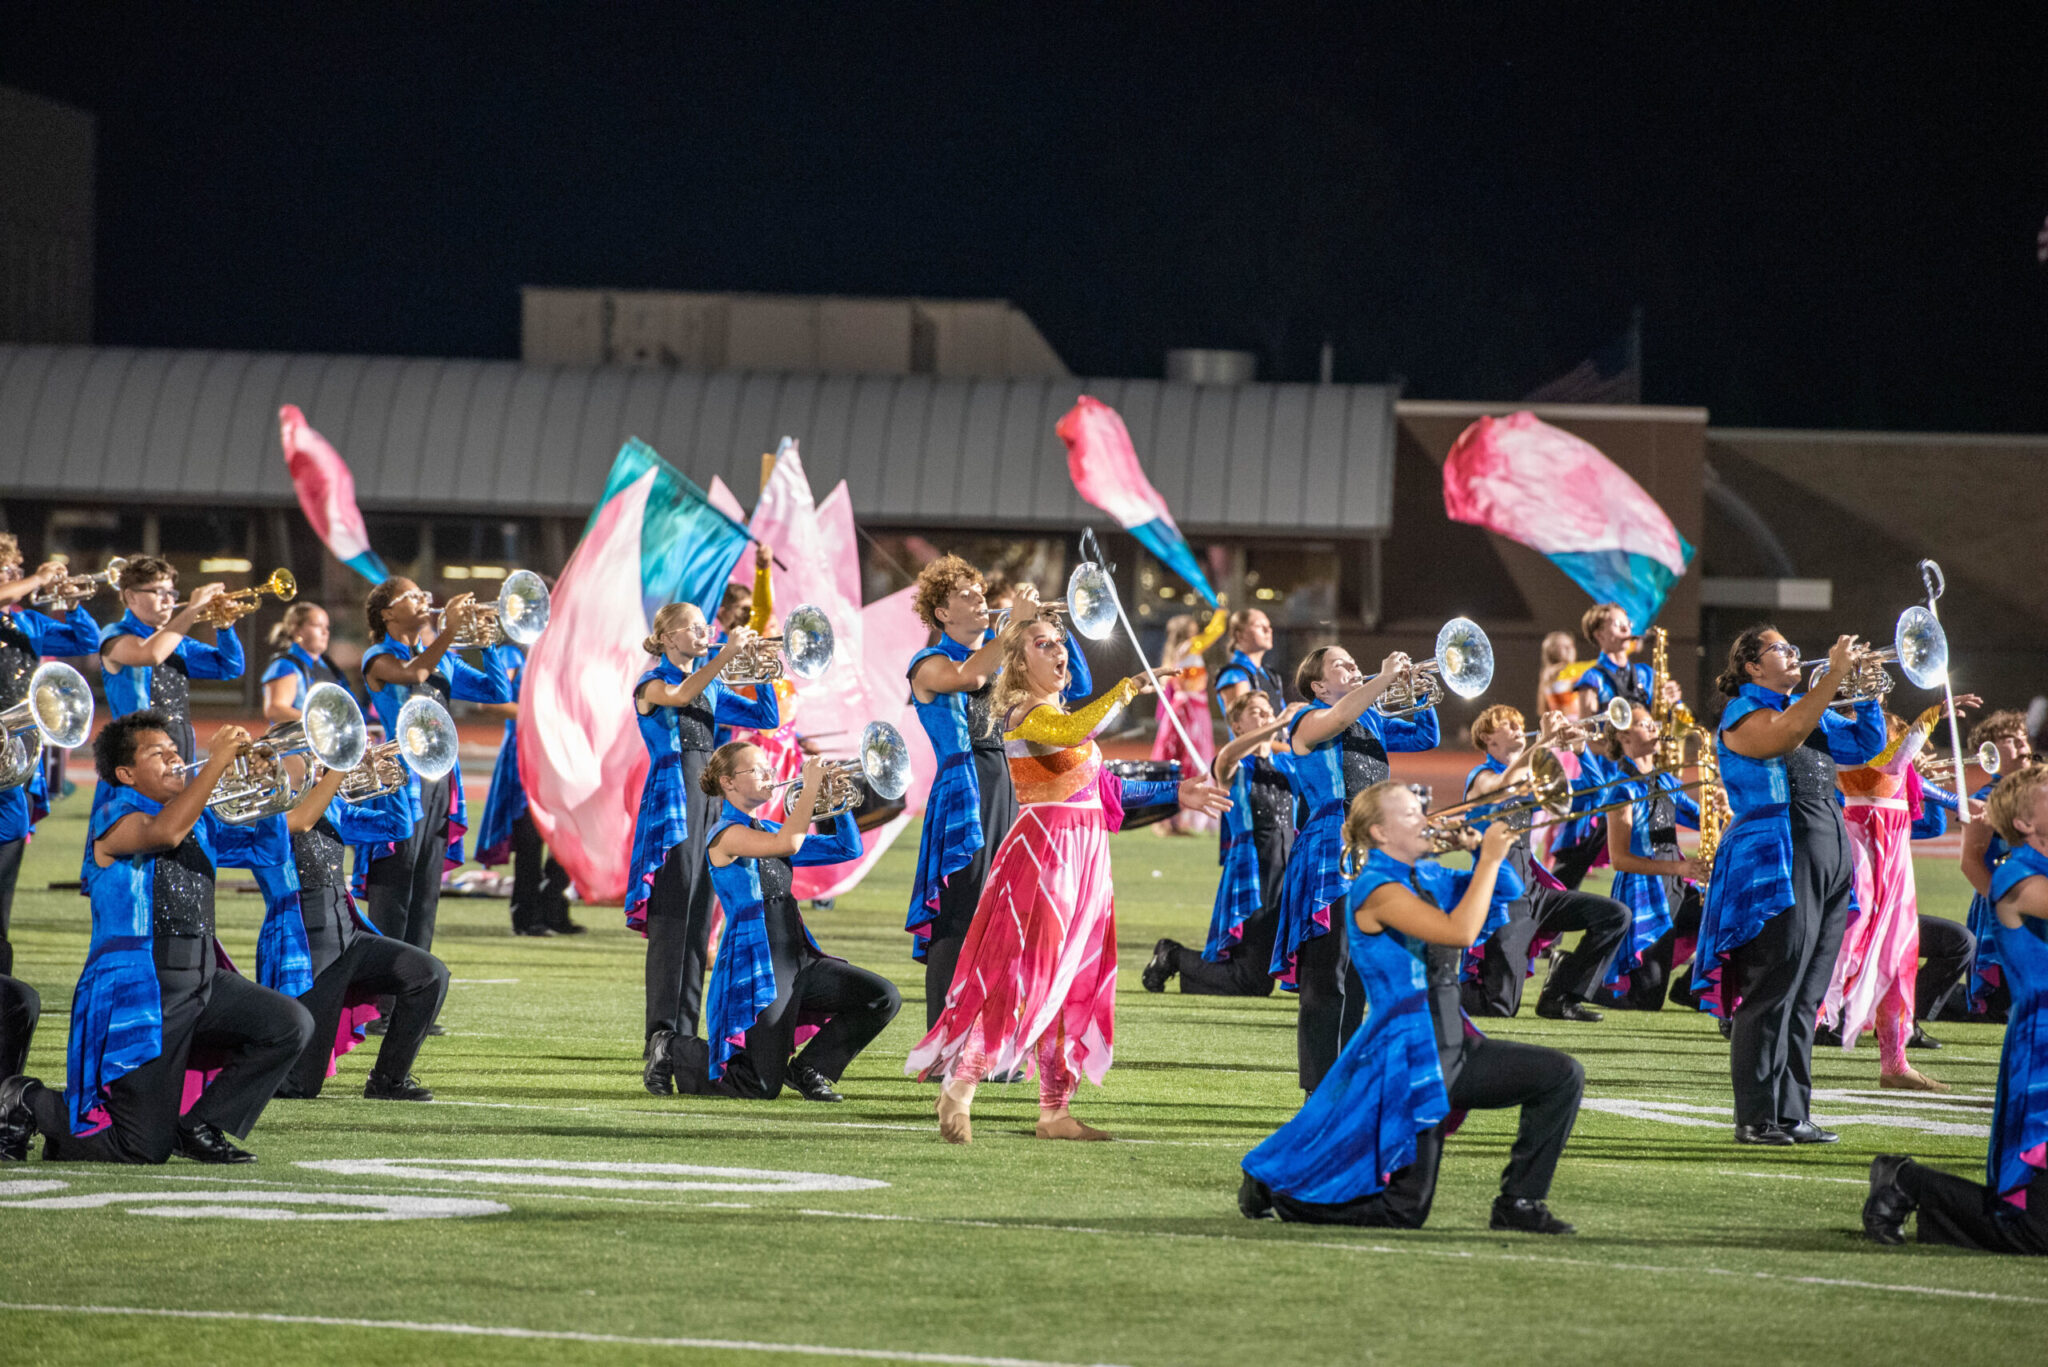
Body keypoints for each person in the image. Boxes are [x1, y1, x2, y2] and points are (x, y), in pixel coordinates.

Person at [907, 620, 1229, 1144]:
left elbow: (1104, 786)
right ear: (1018, 661)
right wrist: (1125, 689)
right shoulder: (1021, 714)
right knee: (1026, 977)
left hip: (1086, 855)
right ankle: (960, 1087)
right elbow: (1068, 735)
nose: (1058, 652)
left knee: (1076, 979)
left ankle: (1054, 1110)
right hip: (1045, 853)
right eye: (1043, 644)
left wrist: (1178, 793)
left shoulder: (1061, 714)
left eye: (1060, 642)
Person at [1239, 782, 1581, 1233]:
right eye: (1409, 816)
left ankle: (1519, 1202)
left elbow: (1509, 893)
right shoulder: (1376, 890)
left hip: (1453, 1044)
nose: (1425, 819)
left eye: (1421, 809)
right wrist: (1491, 858)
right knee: (1404, 1212)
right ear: (1380, 833)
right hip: (1409, 1055)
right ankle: (1278, 1194)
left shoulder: (1428, 876)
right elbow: (1459, 932)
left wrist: (1481, 853)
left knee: (1561, 1074)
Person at [0, 712, 313, 1164]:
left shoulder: (196, 817)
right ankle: (25, 1099)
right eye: (157, 753)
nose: (173, 758)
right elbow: (164, 831)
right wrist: (214, 766)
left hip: (202, 975)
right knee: (140, 1147)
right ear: (127, 774)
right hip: (143, 986)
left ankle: (199, 1124)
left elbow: (268, 850)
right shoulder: (114, 814)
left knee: (289, 1024)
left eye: (174, 750)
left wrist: (266, 789)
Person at [1691, 626, 1884, 1146]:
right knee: (1773, 987)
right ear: (1752, 666)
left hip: (1828, 845)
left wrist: (1867, 695)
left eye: (1795, 649)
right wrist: (1834, 679)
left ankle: (1791, 1113)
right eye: (1781, 649)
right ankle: (1755, 1117)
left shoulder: (1805, 704)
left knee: (1807, 995)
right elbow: (1785, 735)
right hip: (1779, 851)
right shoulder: (1744, 714)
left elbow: (1868, 746)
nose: (1795, 655)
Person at [1863, 764, 2048, 1252]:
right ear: (2025, 823)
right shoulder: (2016, 874)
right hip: (2043, 1049)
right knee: (2032, 1230)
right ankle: (1907, 1180)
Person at [653, 743, 900, 1101]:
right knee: (758, 1085)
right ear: (728, 783)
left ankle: (809, 1068)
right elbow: (788, 842)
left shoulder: (767, 828)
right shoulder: (725, 835)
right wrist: (811, 788)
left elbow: (847, 849)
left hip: (796, 952)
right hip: (758, 960)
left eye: (768, 767)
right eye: (756, 770)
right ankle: (673, 1047)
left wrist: (833, 804)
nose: (770, 774)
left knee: (881, 996)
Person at [628, 602, 779, 1091]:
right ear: (668, 637)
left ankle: (683, 1045)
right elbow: (682, 692)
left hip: (710, 804)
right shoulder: (651, 682)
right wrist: (726, 656)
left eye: (703, 626)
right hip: (673, 803)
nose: (703, 632)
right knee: (672, 927)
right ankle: (659, 1038)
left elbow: (767, 717)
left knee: (698, 927)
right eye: (692, 627)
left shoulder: (711, 682)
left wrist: (758, 670)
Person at [1275, 644, 1433, 1093]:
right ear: (1319, 685)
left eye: (1352, 660)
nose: (1354, 666)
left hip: (1373, 851)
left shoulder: (1373, 718)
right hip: (1330, 846)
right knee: (1328, 974)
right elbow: (1338, 719)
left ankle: (1346, 1083)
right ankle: (1318, 1088)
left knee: (1362, 973)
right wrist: (1382, 679)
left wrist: (1416, 690)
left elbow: (1425, 738)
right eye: (1341, 664)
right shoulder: (1304, 718)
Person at [254, 768, 448, 1101]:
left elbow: (397, 827)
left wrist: (392, 786)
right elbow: (299, 822)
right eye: (309, 753)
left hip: (346, 931)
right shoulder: (264, 807)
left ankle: (388, 1080)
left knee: (429, 974)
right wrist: (338, 773)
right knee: (301, 1085)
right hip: (305, 942)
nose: (319, 761)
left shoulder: (333, 805)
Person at [1820, 700, 1978, 1091]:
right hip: (1864, 863)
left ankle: (1894, 1063)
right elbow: (1892, 759)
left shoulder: (1900, 770)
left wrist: (1970, 805)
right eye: (1896, 731)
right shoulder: (1857, 755)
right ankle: (1805, 1027)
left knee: (1899, 959)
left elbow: (1928, 798)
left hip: (1893, 868)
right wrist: (1932, 715)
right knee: (1847, 949)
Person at [355, 578, 509, 973]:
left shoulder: (440, 654)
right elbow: (414, 674)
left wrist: (487, 643)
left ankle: (412, 994)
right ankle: (382, 1000)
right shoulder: (377, 657)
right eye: (410, 595)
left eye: (423, 593)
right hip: (400, 781)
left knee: (425, 893)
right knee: (395, 892)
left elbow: (497, 692)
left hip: (442, 780)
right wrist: (452, 631)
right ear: (387, 613)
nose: (423, 598)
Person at [905, 555, 1028, 1028]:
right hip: (964, 788)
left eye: (981, 592)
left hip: (1008, 783)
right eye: (967, 595)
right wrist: (1013, 630)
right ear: (942, 613)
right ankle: (945, 1038)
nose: (981, 600)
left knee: (1002, 913)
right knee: (958, 915)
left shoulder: (1000, 659)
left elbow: (1062, 687)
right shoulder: (929, 662)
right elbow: (968, 677)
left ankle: (991, 1040)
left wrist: (1044, 637)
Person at [1458, 704, 1630, 1022]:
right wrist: (1545, 742)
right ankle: (1433, 991)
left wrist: (1580, 751)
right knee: (1499, 1007)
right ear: (1486, 737)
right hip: (1501, 896)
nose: (1517, 728)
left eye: (1518, 723)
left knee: (1614, 916)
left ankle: (1559, 994)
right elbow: (1499, 789)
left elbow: (1595, 794)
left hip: (1535, 890)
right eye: (1507, 724)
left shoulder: (1533, 778)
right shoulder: (1480, 776)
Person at [1144, 689, 1300, 996]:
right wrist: (1278, 723)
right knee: (1253, 982)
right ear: (1237, 725)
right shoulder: (1234, 765)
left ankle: (1191, 970)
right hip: (1252, 870)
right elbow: (1228, 756)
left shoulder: (1287, 764)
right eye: (1255, 712)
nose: (1266, 715)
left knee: (1261, 978)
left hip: (1287, 871)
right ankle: (1172, 955)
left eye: (1268, 711)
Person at [0, 540, 101, 941]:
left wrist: (73, 605)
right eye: (8, 572)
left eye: (15, 570)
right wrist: (37, 579)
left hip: (16, 758)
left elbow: (85, 642)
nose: (16, 579)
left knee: (5, 874)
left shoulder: (27, 623)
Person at [1585, 708, 1707, 1011]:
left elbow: (1701, 820)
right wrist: (1680, 866)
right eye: (1644, 724)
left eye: (1653, 723)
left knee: (1729, 916)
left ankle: (1692, 988)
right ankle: (1582, 975)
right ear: (1624, 736)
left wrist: (1719, 807)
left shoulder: (1666, 781)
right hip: (1642, 891)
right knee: (1645, 1000)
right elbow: (1621, 860)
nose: (1655, 728)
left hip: (1676, 886)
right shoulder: (1621, 790)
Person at [473, 639, 580, 937]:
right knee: (530, 839)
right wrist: (541, 717)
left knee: (566, 835)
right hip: (526, 755)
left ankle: (554, 907)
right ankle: (526, 915)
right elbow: (491, 701)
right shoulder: (512, 653)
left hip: (561, 754)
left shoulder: (564, 653)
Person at [98, 555, 245, 764]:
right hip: (136, 759)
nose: (169, 600)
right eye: (159, 592)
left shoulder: (179, 642)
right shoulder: (114, 634)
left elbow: (231, 667)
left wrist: (225, 627)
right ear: (131, 597)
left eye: (172, 593)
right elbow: (151, 654)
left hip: (180, 755)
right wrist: (192, 609)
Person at [1961, 710, 2035, 1020]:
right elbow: (1970, 862)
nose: (2021, 741)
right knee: (2004, 1006)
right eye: (2009, 738)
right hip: (2004, 905)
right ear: (1989, 752)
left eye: (2023, 736)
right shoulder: (1985, 799)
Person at [1150, 609, 1227, 835]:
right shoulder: (1190, 647)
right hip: (1190, 711)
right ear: (1188, 631)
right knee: (1191, 760)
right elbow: (1215, 632)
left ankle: (1173, 818)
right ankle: (1180, 817)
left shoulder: (1177, 652)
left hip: (1187, 709)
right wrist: (1220, 613)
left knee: (1179, 760)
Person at [259, 601, 353, 724]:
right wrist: (322, 723)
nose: (325, 632)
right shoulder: (285, 666)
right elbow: (275, 709)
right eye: (317, 625)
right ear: (297, 630)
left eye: (327, 627)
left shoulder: (329, 667)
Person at [1214, 607, 1287, 714]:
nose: (1268, 630)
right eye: (1258, 626)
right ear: (1240, 635)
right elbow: (1243, 726)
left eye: (1268, 626)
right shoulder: (1234, 675)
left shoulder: (1269, 674)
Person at [1536, 629, 1591, 722]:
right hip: (1566, 725)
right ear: (1551, 651)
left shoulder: (1574, 670)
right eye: (1564, 647)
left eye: (1571, 646)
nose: (1570, 649)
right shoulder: (1553, 672)